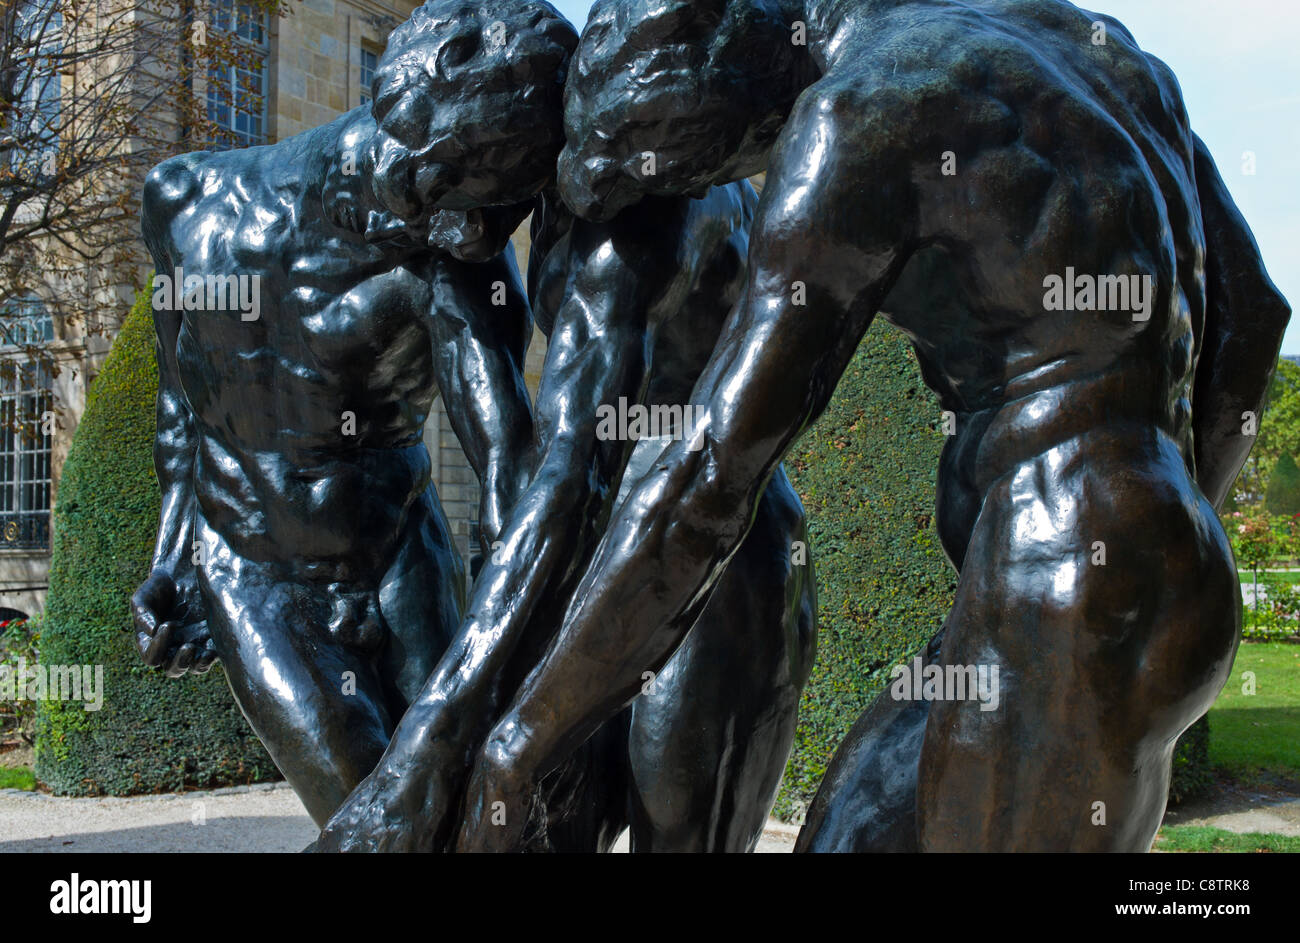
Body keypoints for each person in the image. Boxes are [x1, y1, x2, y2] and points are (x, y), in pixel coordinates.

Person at [447, 0, 1290, 852]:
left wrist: (523, 739)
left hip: (1066, 595)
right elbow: (1255, 314)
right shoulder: (1087, 46)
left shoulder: (850, 115)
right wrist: (1169, 529)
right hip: (1083, 583)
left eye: (722, 160)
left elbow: (706, 482)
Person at [314, 0, 816, 852]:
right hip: (604, 563)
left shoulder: (628, 218)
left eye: (451, 175)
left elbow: (568, 478)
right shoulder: (583, 183)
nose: (443, 210)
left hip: (703, 574)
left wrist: (420, 748)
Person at [131, 104, 536, 826]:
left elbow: (510, 468)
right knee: (377, 821)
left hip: (397, 548)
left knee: (465, 805)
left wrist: (516, 668)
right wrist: (173, 558)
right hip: (253, 564)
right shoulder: (182, 200)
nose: (481, 235)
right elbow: (182, 402)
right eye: (469, 210)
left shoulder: (455, 248)